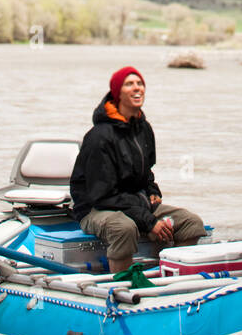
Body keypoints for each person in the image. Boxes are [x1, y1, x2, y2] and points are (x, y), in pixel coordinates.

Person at [70, 66, 205, 274]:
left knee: (191, 223)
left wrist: (152, 191)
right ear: (117, 93)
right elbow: (104, 195)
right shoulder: (99, 137)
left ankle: (168, 280)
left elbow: (146, 172)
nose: (137, 88)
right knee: (124, 228)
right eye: (129, 84)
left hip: (134, 203)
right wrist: (149, 222)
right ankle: (122, 290)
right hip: (96, 207)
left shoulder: (144, 129)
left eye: (140, 83)